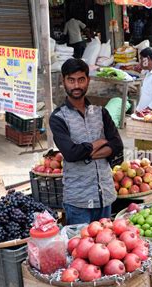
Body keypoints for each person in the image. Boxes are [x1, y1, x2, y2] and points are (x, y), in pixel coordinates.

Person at [49, 59, 124, 224]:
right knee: (81, 248)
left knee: (105, 246)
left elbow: (117, 145)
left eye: (81, 79)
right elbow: (70, 153)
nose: (76, 85)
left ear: (88, 80)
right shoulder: (58, 118)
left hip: (105, 197)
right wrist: (100, 142)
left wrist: (84, 153)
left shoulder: (100, 112)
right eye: (71, 80)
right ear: (64, 81)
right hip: (78, 202)